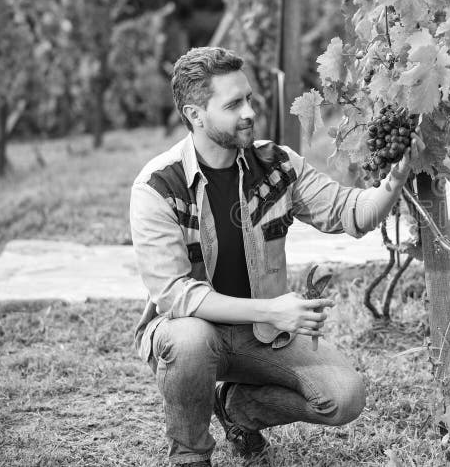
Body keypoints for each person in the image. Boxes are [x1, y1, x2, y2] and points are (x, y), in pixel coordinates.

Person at [129, 46, 424, 466]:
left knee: (345, 396)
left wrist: (395, 177)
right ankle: (190, 455)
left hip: (259, 335)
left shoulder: (277, 165)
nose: (249, 112)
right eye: (233, 104)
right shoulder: (159, 187)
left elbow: (350, 211)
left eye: (248, 98)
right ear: (195, 115)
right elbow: (174, 295)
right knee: (191, 340)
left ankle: (236, 410)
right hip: (190, 331)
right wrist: (272, 309)